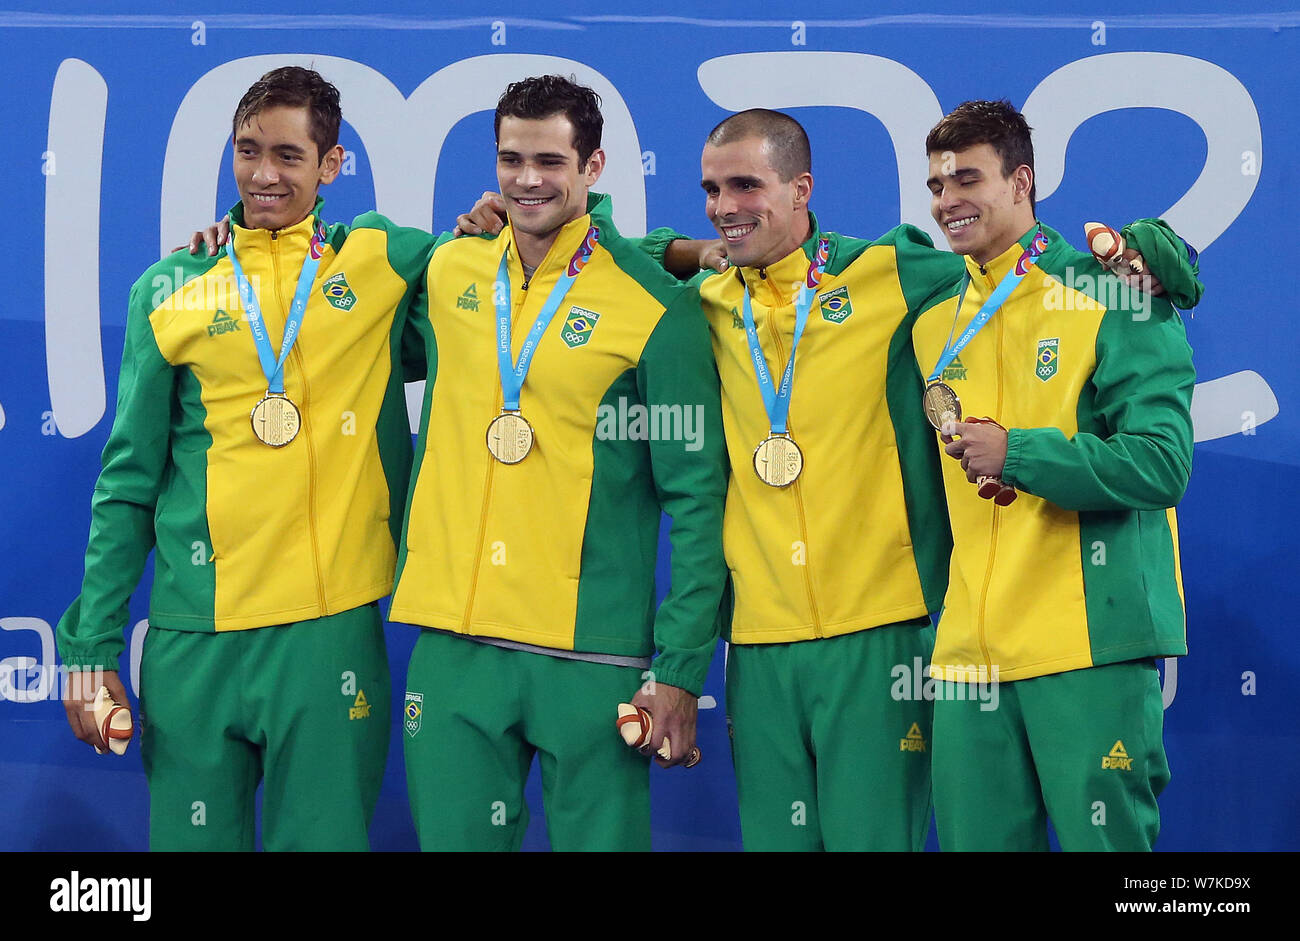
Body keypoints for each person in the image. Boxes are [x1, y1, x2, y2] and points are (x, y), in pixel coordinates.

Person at [456, 108, 1196, 852]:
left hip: (902, 636)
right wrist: (688, 248)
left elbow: (1118, 340)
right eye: (712, 189)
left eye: (747, 184)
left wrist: (1161, 253)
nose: (726, 204)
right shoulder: (706, 306)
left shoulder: (904, 279)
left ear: (802, 188)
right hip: (785, 643)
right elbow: (617, 258)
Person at [56, 66, 433, 850]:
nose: (264, 175)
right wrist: (91, 647)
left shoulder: (381, 264)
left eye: (290, 156)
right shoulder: (172, 286)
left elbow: (541, 286)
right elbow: (128, 482)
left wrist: (681, 250)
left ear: (331, 165)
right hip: (195, 639)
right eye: (248, 151)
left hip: (326, 635)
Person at [390, 75, 728, 851]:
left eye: (550, 160)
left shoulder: (656, 306)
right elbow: (323, 307)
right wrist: (228, 235)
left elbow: (700, 502)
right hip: (454, 642)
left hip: (592, 654)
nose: (528, 179)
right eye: (511, 159)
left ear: (594, 166)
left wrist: (677, 667)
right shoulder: (449, 271)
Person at [912, 99, 1198, 850]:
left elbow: (1163, 462)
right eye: (937, 185)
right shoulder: (930, 316)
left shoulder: (1116, 292)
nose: (948, 202)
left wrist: (1023, 455)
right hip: (970, 655)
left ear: (1023, 182)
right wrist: (694, 253)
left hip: (1086, 645)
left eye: (967, 178)